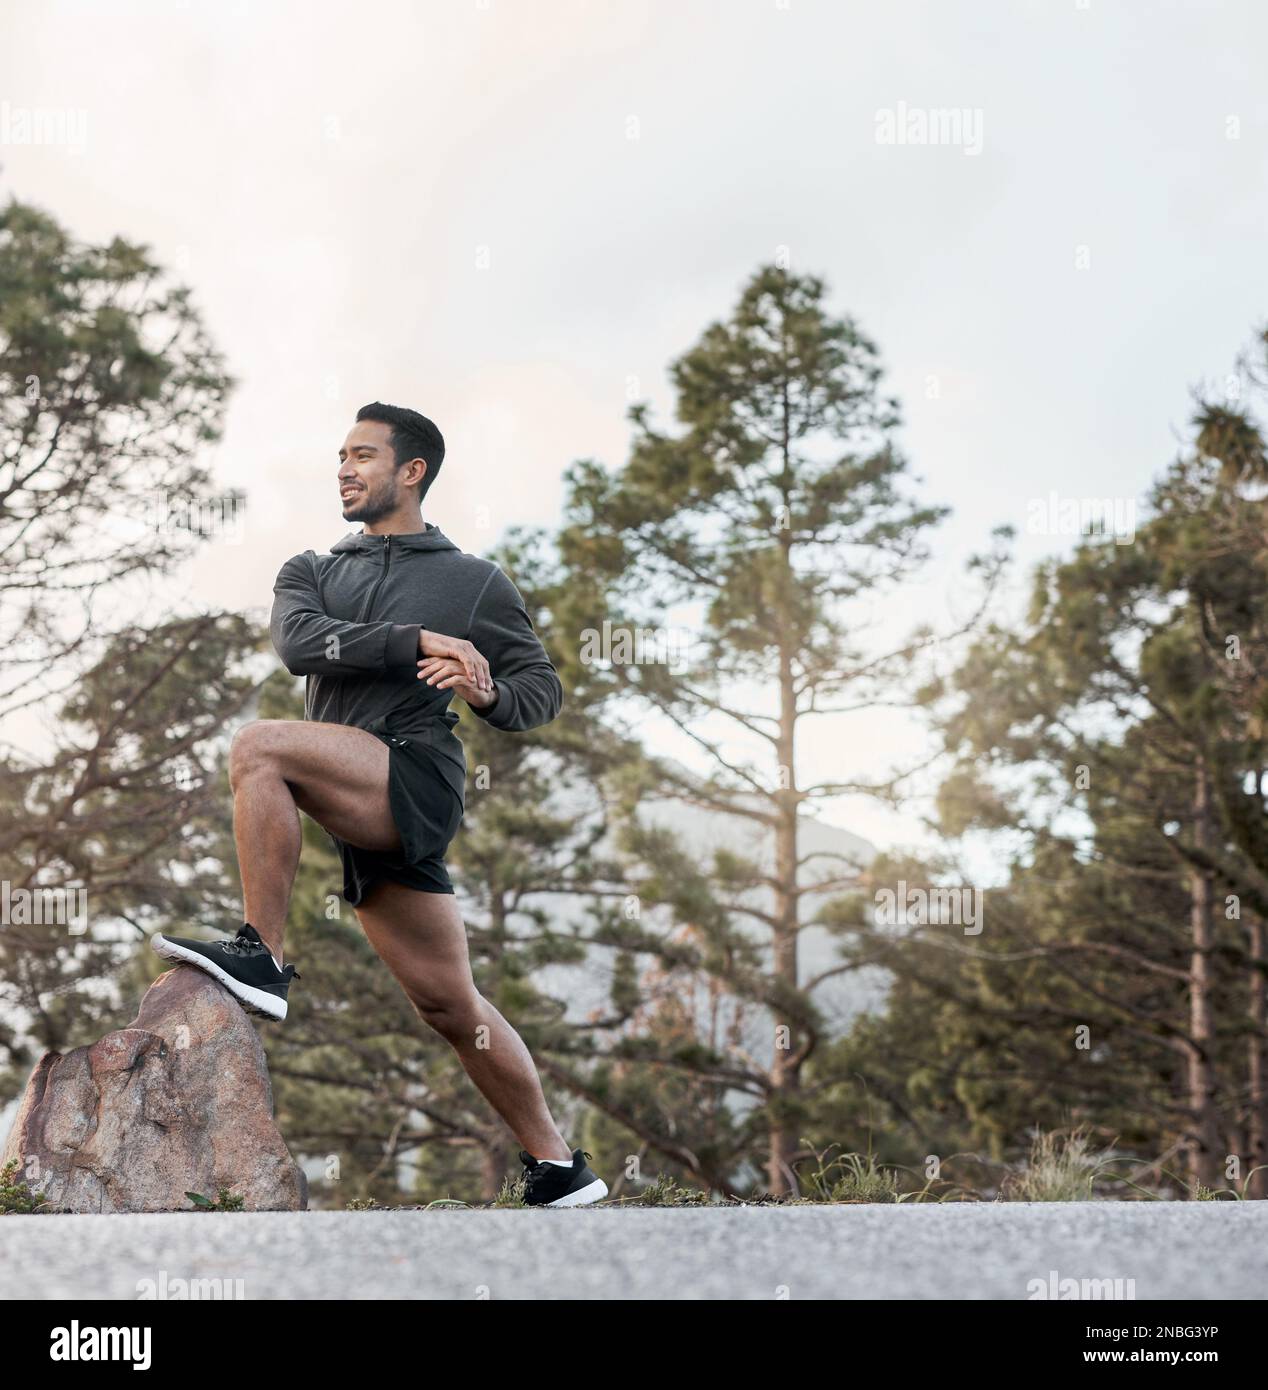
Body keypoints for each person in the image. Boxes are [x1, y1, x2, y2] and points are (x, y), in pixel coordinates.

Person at [152, 400, 606, 1208]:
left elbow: (543, 691)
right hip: (352, 792)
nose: (344, 469)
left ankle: (262, 951)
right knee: (448, 1002)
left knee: (259, 747)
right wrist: (418, 641)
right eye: (340, 456)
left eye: (363, 456)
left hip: (416, 775)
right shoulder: (312, 571)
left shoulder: (473, 583)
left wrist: (489, 688)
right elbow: (299, 646)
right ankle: (560, 1166)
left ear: (411, 471)